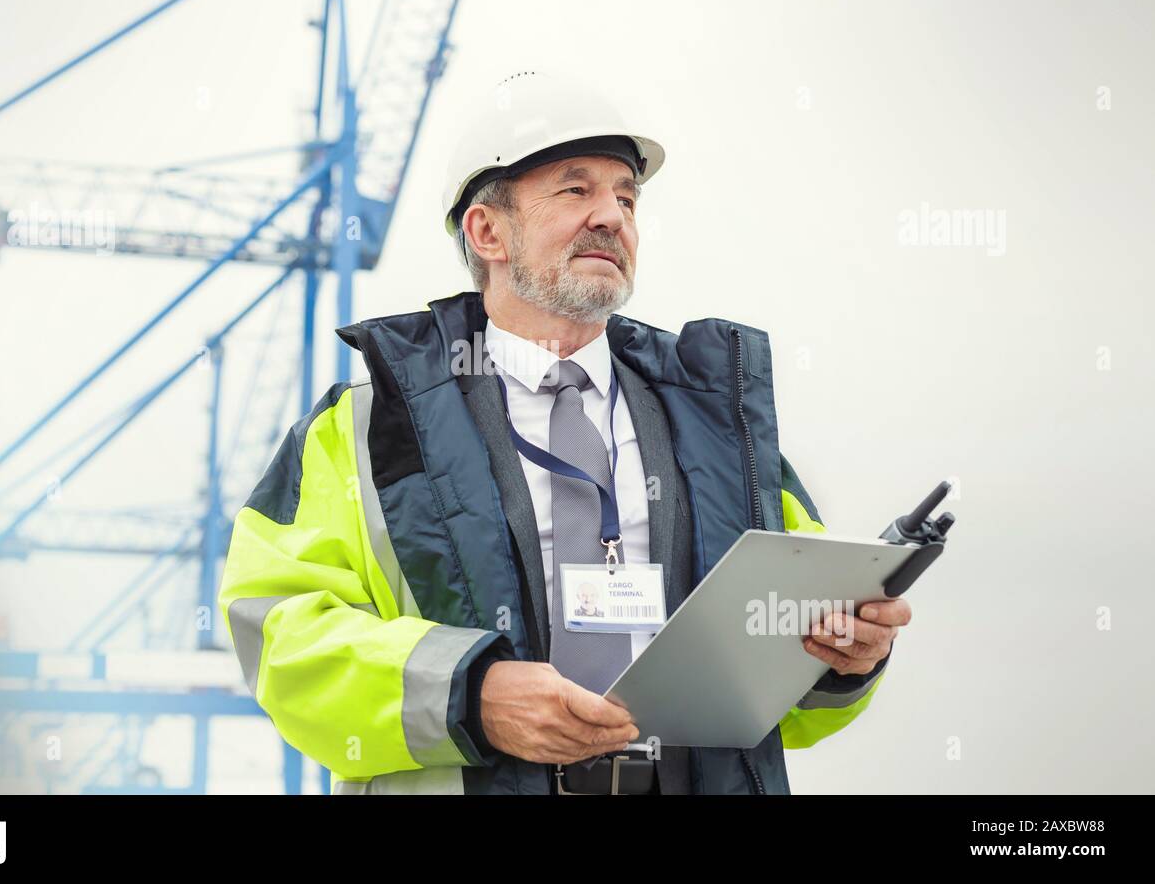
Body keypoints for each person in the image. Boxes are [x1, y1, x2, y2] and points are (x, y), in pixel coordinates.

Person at [219, 71, 910, 794]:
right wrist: (472, 695)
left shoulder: (719, 429)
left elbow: (790, 694)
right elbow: (277, 633)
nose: (612, 216)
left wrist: (844, 659)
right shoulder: (362, 430)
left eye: (626, 197)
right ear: (487, 232)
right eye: (576, 191)